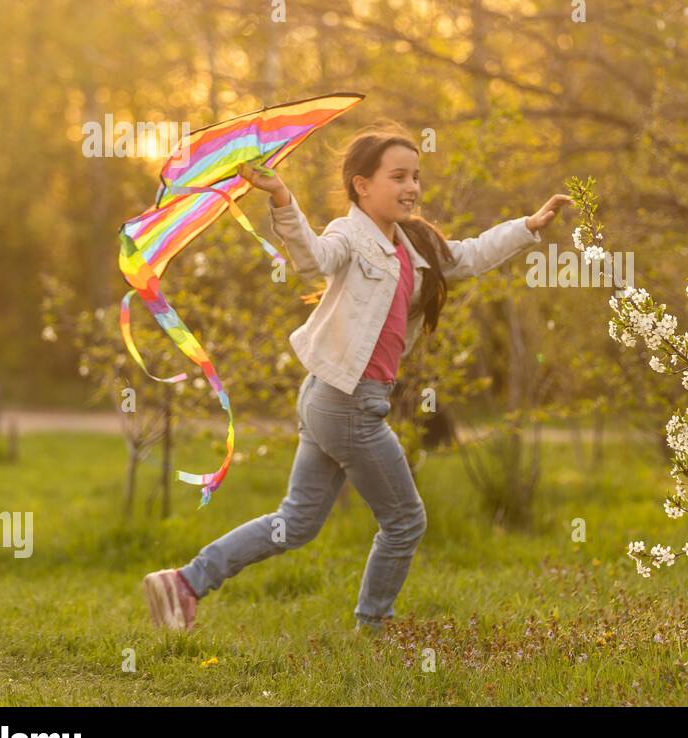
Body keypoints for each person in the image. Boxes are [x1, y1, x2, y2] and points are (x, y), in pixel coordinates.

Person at [142, 119, 571, 634]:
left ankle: (185, 583)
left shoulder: (413, 247)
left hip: (330, 397)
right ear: (361, 185)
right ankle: (375, 625)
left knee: (296, 522)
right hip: (347, 402)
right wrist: (280, 195)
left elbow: (470, 255)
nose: (411, 188)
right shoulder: (349, 234)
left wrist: (529, 226)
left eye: (415, 177)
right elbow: (311, 259)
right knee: (406, 520)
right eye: (398, 177)